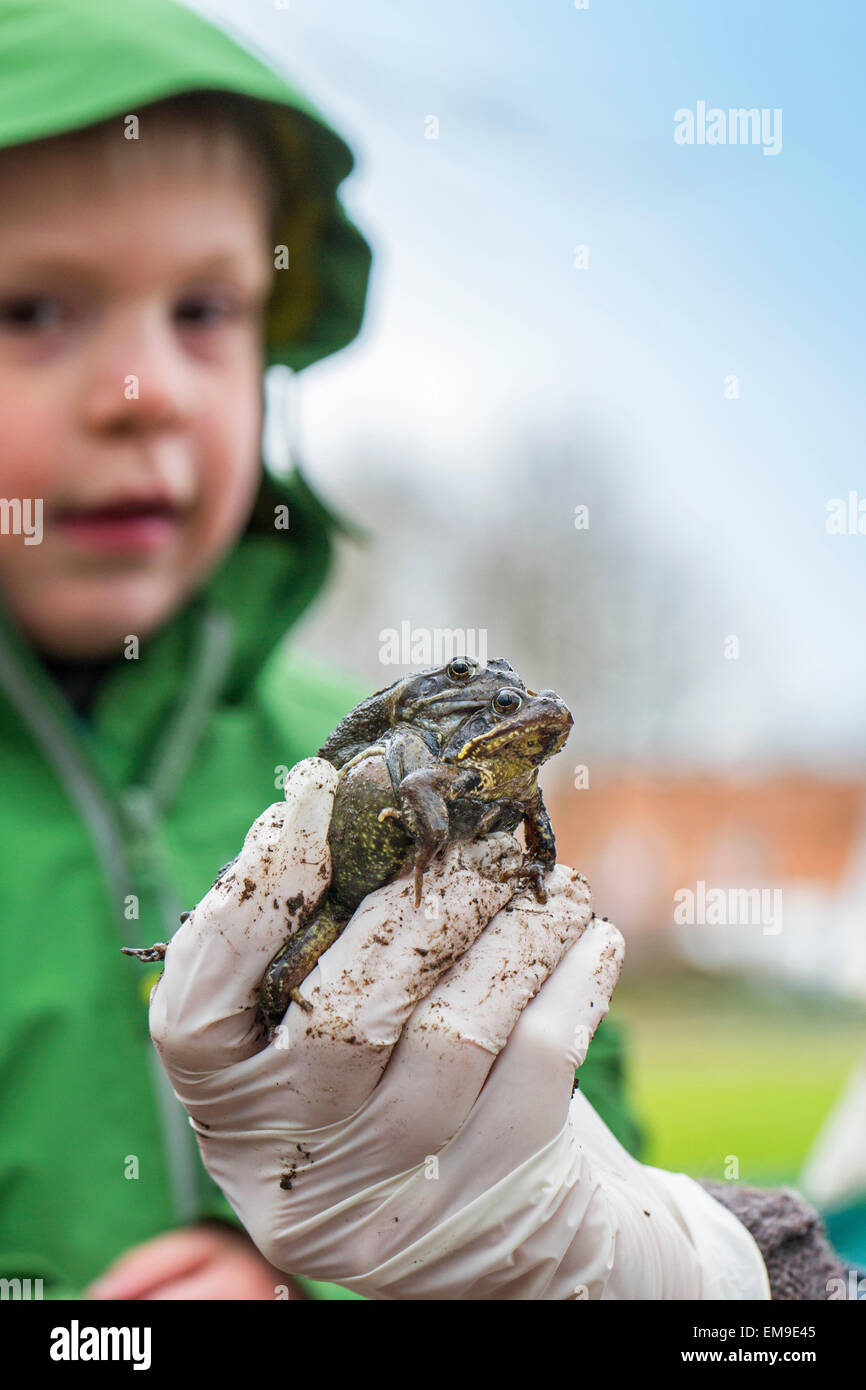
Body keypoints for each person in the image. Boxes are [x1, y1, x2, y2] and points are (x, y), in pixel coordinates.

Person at [0, 0, 850, 1300]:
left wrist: (304, 1279)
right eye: (35, 308)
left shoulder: (356, 759)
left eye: (207, 309)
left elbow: (567, 1137)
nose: (144, 391)